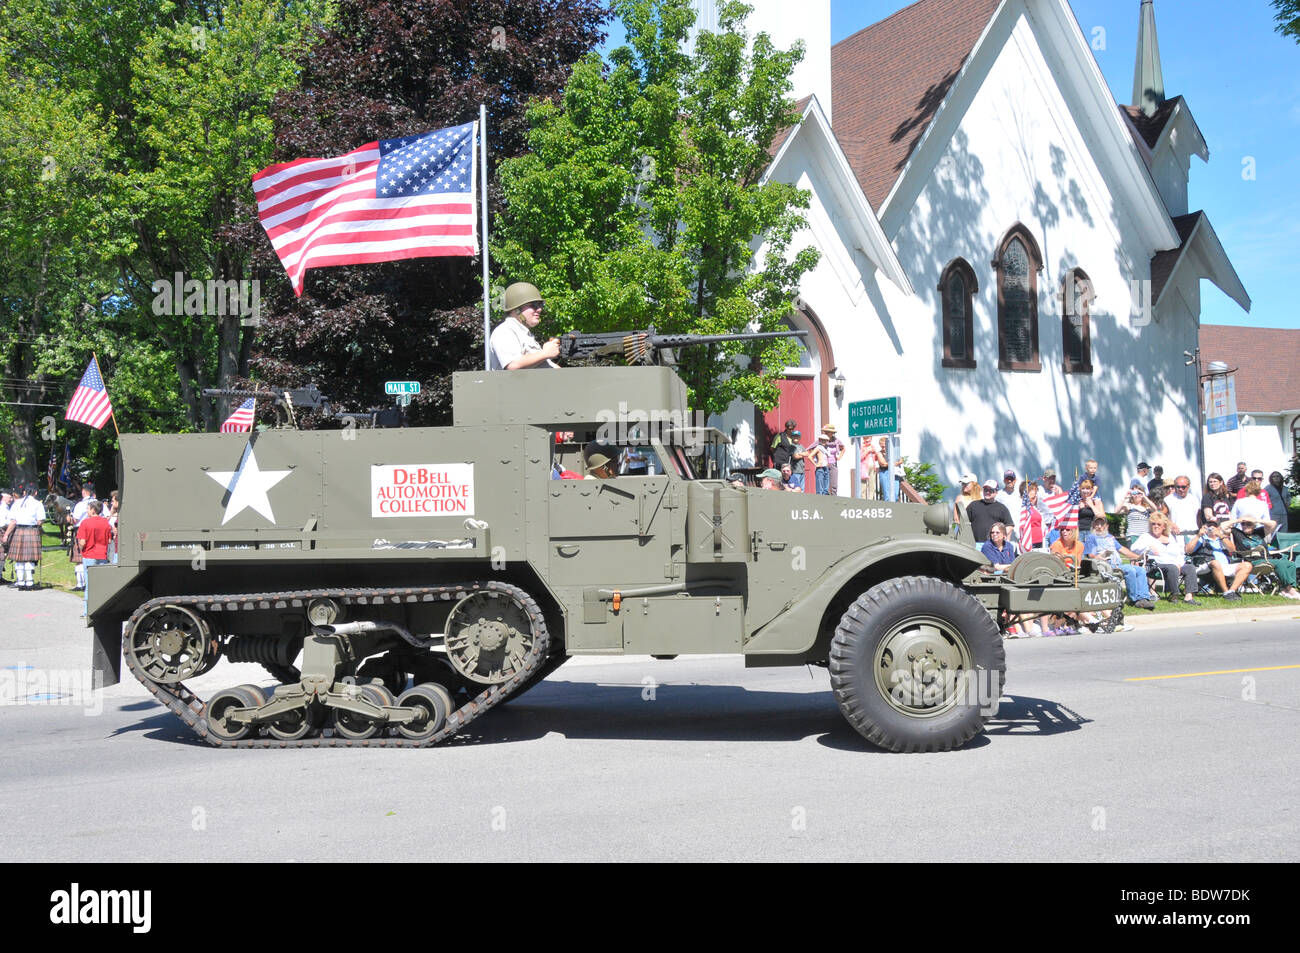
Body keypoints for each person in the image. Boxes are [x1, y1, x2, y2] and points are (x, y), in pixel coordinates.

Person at [1084, 518, 1157, 610]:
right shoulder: (1091, 537)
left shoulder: (1110, 537)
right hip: (1105, 566)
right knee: (1130, 570)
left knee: (1141, 570)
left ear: (1106, 526)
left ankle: (1144, 597)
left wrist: (1138, 557)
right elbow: (1090, 555)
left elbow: (1122, 549)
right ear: (1093, 526)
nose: (1099, 527)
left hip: (1117, 565)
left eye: (1101, 524)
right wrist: (1099, 557)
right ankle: (1134, 599)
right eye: (1096, 524)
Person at [1130, 513, 1201, 604]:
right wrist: (1148, 547)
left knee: (1190, 568)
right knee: (1172, 568)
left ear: (1164, 526)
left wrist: (1179, 564)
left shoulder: (1171, 537)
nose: (1155, 526)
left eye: (1158, 524)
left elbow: (1179, 554)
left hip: (1175, 564)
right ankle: (1174, 595)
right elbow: (1133, 548)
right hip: (1156, 566)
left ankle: (1188, 597)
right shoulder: (1146, 537)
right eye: (1153, 524)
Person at [488, 282, 559, 370]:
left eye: (540, 305)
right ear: (516, 310)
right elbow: (513, 365)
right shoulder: (504, 331)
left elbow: (547, 365)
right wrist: (545, 353)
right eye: (534, 305)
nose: (539, 309)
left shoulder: (524, 334)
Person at [1195, 521, 1252, 601]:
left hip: (1225, 566)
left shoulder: (1222, 539)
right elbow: (1188, 550)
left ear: (1218, 529)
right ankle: (1226, 592)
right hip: (1206, 565)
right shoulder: (1201, 539)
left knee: (1247, 565)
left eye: (1213, 528)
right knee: (1216, 563)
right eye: (1208, 528)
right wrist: (1198, 536)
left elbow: (1232, 549)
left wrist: (1220, 535)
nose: (1210, 530)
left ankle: (1231, 591)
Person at [75, 501, 113, 616]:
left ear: (93, 510)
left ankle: (88, 611)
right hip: (102, 554)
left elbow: (82, 541)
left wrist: (81, 549)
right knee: (100, 583)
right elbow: (109, 540)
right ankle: (101, 610)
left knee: (89, 584)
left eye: (87, 509)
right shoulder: (106, 523)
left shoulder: (85, 523)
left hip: (89, 554)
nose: (86, 511)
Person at [7, 484, 46, 591]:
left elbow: (13, 521)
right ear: (35, 493)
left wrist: (6, 534)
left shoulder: (16, 503)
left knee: (19, 558)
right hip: (32, 530)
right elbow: (40, 520)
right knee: (29, 558)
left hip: (19, 530)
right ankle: (29, 582)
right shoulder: (38, 504)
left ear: (24, 492)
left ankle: (20, 581)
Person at [1018, 480, 1049, 551]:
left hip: (1040, 542)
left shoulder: (1035, 508)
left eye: (1035, 497)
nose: (1034, 499)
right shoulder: (1023, 509)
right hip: (1029, 542)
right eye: (1032, 498)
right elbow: (1020, 527)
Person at [995, 470, 1022, 545]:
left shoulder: (1021, 493)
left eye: (1011, 479)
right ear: (1004, 481)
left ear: (1015, 480)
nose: (1009, 481)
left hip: (1020, 530)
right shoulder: (999, 495)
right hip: (1006, 530)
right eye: (1007, 479)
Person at [821, 425, 844, 496]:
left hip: (833, 464)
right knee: (824, 485)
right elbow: (811, 448)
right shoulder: (821, 440)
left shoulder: (837, 441)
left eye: (829, 432)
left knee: (834, 485)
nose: (827, 434)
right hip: (823, 465)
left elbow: (843, 448)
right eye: (826, 432)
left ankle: (834, 500)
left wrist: (839, 456)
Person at [1266, 471, 1291, 537]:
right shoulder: (1268, 488)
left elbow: (1289, 497)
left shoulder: (1285, 488)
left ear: (1280, 478)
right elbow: (1264, 499)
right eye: (1274, 476)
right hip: (1273, 513)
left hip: (1284, 513)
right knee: (1273, 532)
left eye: (1277, 476)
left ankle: (1282, 546)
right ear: (1271, 478)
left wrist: (1288, 503)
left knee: (1284, 532)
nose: (1276, 478)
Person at [0, 488, 12, 583]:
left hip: (4, 531)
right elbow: (4, 522)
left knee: (3, 554)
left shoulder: (6, 507)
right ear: (3, 497)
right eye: (9, 497)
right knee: (1, 554)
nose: (11, 499)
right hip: (2, 530)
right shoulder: (2, 507)